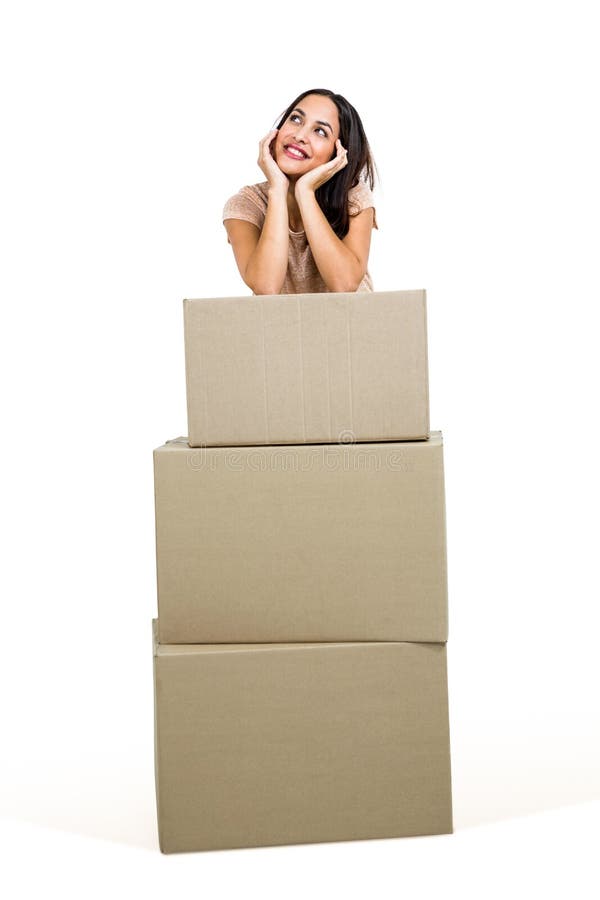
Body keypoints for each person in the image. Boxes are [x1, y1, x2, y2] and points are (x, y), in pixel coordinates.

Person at [222, 88, 379, 295]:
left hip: (352, 324)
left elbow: (344, 285)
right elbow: (266, 287)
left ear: (338, 152)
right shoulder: (246, 205)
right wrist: (278, 188)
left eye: (320, 131)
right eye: (295, 119)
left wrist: (305, 192)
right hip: (284, 326)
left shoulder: (353, 197)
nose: (300, 135)